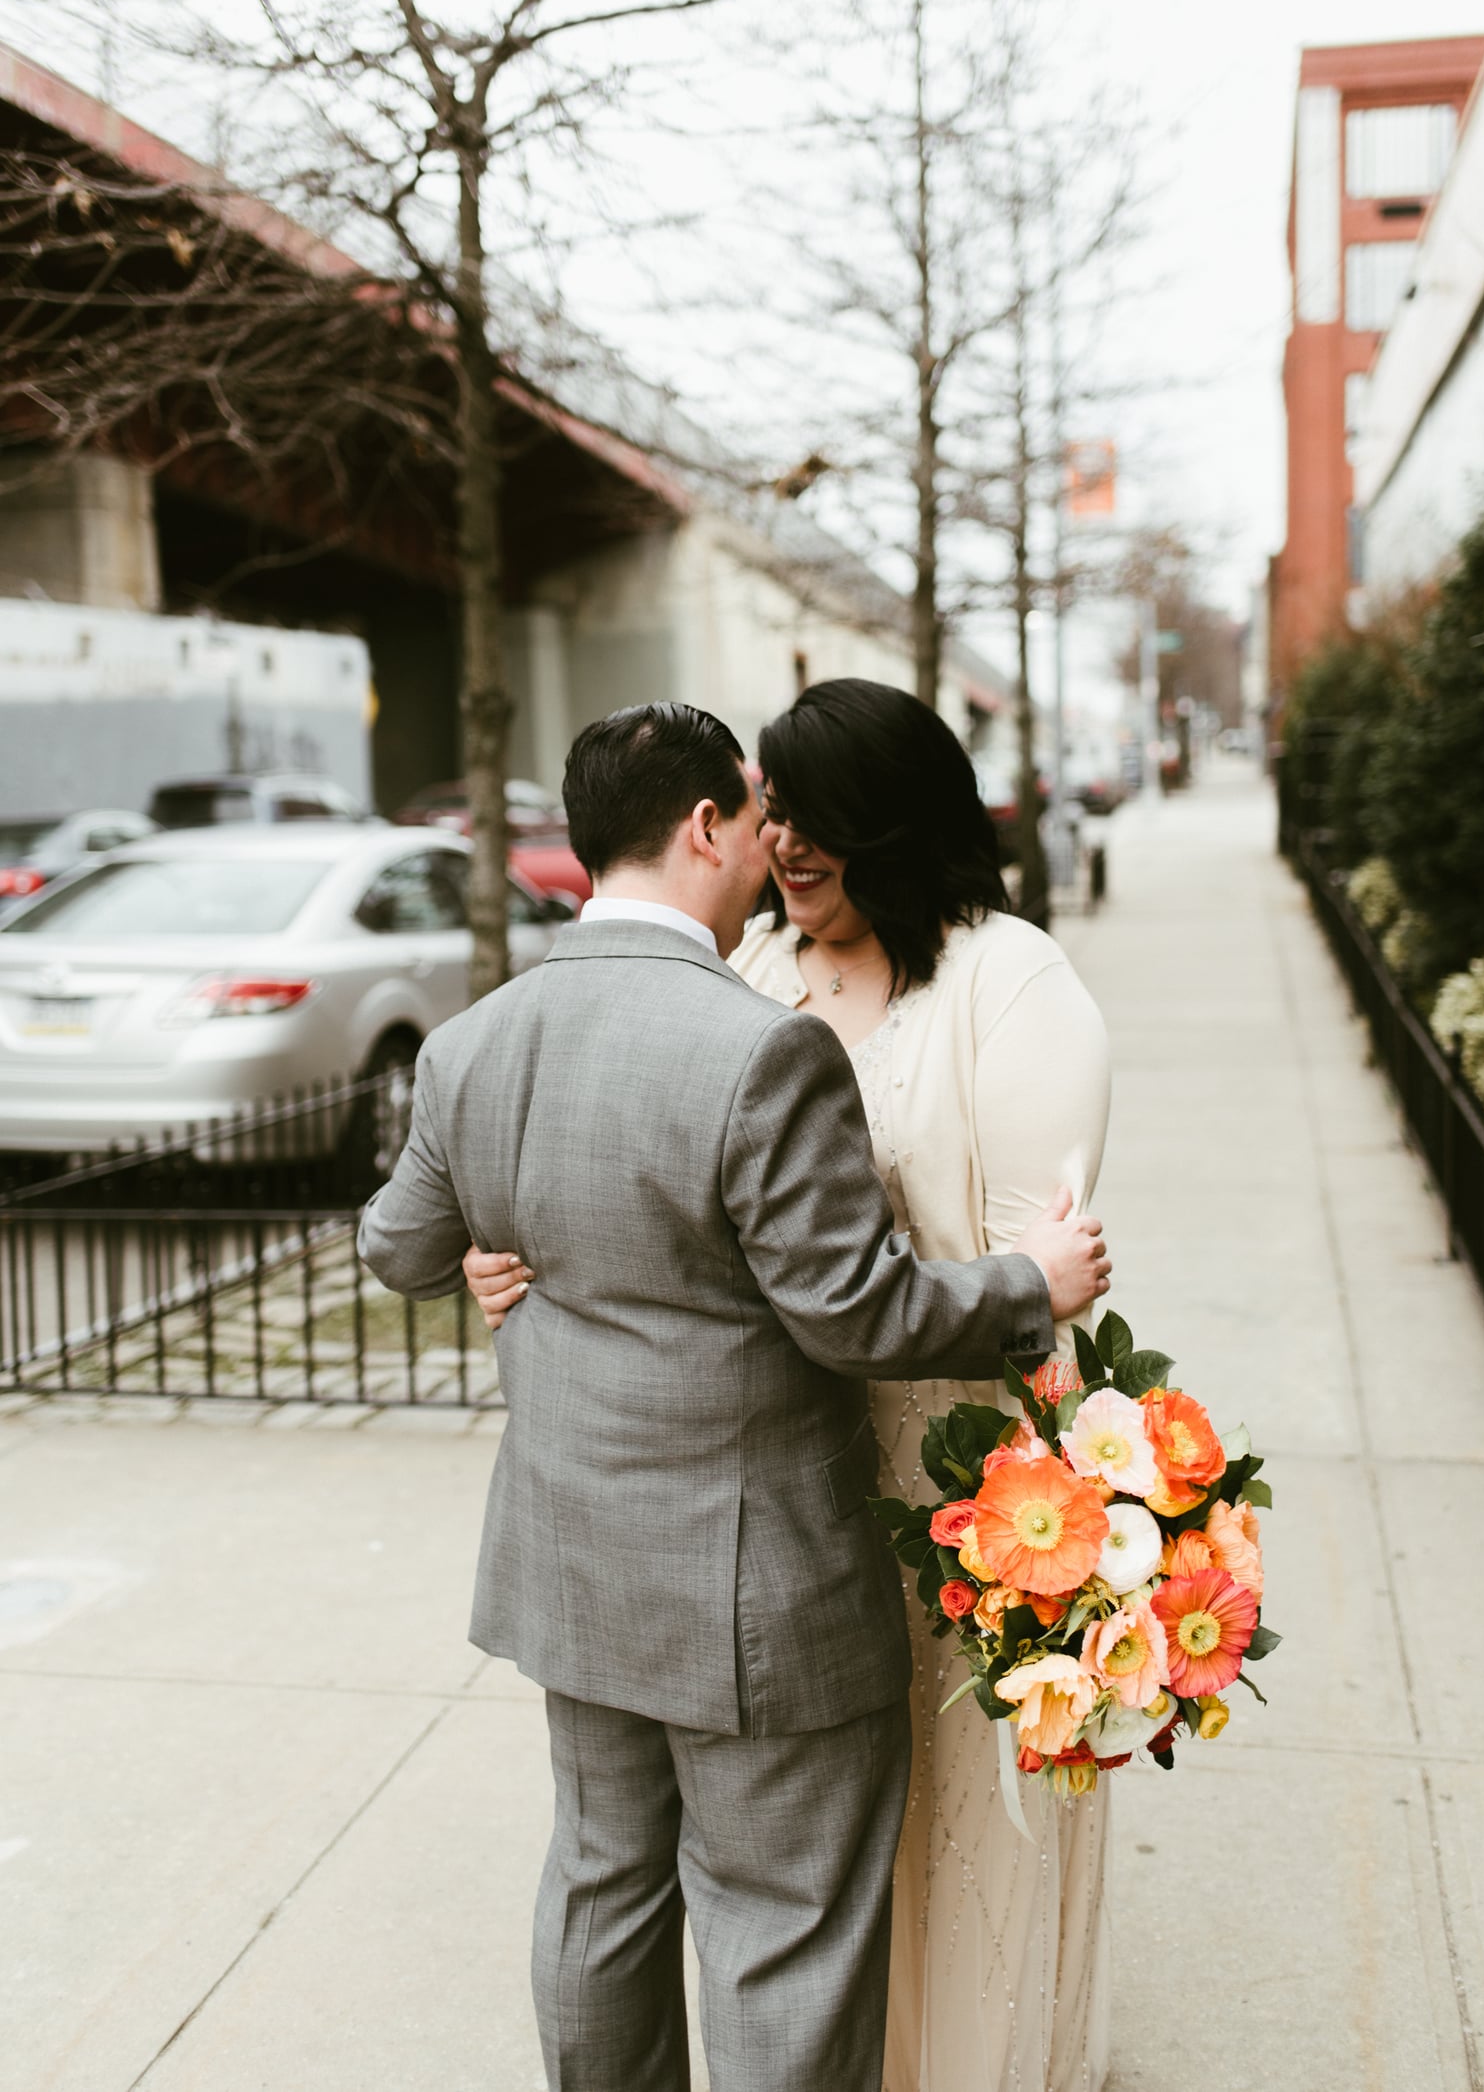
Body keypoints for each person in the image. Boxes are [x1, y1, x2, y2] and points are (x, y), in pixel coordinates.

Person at [362, 700, 1110, 2092]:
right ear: (704, 827)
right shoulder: (763, 1047)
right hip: (752, 1592)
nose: (775, 848)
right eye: (753, 819)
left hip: (570, 1567)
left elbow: (396, 1245)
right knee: (781, 1930)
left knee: (601, 1888)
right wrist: (1031, 1282)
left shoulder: (473, 1044)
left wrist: (489, 1243)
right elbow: (852, 1312)